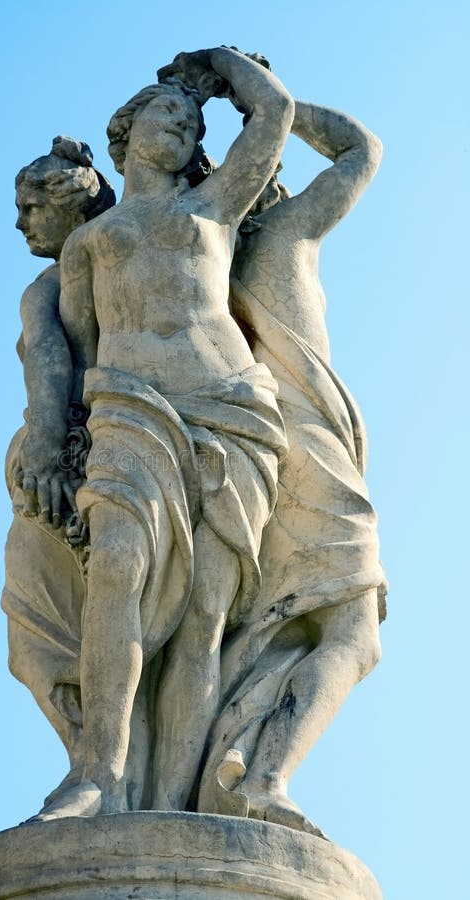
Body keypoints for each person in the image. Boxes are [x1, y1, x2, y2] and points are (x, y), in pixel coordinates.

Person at [18, 47, 294, 817]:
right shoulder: (89, 244)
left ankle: (180, 801)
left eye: (189, 120)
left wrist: (220, 64)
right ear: (126, 130)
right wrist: (47, 439)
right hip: (129, 409)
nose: (180, 124)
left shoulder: (214, 207)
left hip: (230, 405)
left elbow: (274, 115)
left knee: (207, 614)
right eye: (165, 113)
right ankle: (96, 776)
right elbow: (69, 358)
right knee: (115, 565)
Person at [197, 93, 387, 837]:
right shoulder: (283, 233)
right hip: (306, 448)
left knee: (266, 631)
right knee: (351, 632)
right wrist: (271, 104)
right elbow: (360, 152)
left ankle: (236, 766)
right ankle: (268, 780)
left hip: (246, 450)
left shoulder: (205, 248)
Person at [2, 137, 115, 789]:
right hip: (90, 454)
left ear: (69, 204)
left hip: (76, 461)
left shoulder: (54, 285)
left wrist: (46, 444)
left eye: (28, 206)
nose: (20, 223)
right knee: (38, 638)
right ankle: (97, 767)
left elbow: (50, 360)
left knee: (38, 632)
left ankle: (98, 767)